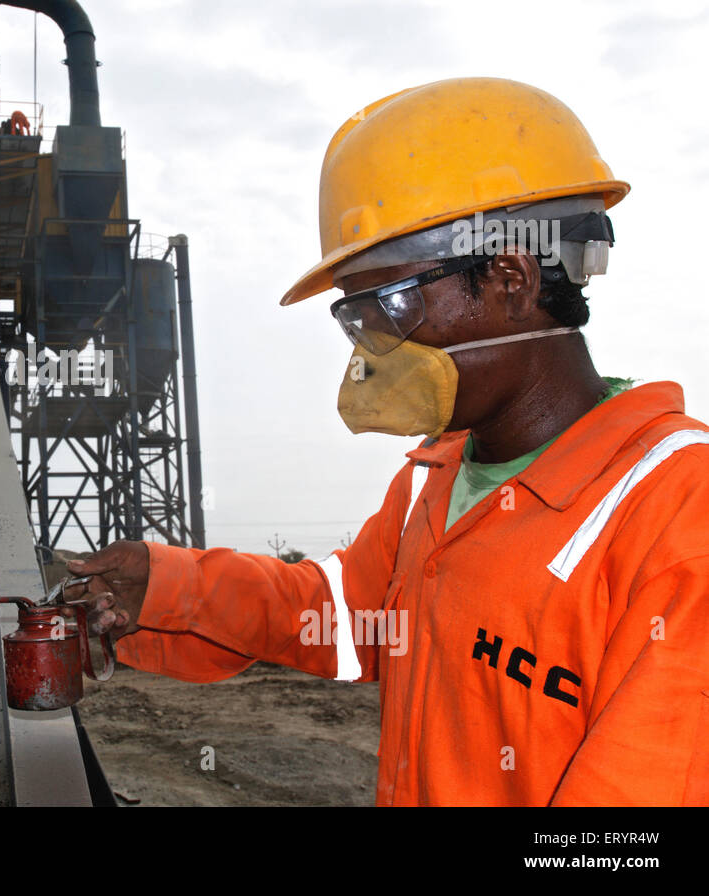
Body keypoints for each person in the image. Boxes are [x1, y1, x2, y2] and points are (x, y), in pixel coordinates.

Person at [65, 77, 709, 805]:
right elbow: (348, 622)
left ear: (509, 278)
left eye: (390, 306)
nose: (371, 349)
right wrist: (165, 587)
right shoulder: (432, 482)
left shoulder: (678, 518)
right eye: (355, 317)